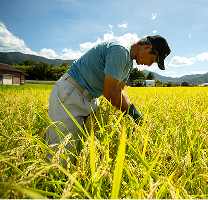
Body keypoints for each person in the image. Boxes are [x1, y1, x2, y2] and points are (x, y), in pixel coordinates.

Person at [45, 35, 171, 164]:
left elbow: (120, 89)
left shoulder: (128, 62)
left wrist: (133, 109)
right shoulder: (120, 49)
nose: (150, 65)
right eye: (153, 60)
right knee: (61, 153)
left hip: (89, 98)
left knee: (85, 145)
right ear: (147, 48)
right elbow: (109, 91)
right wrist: (131, 113)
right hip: (71, 94)